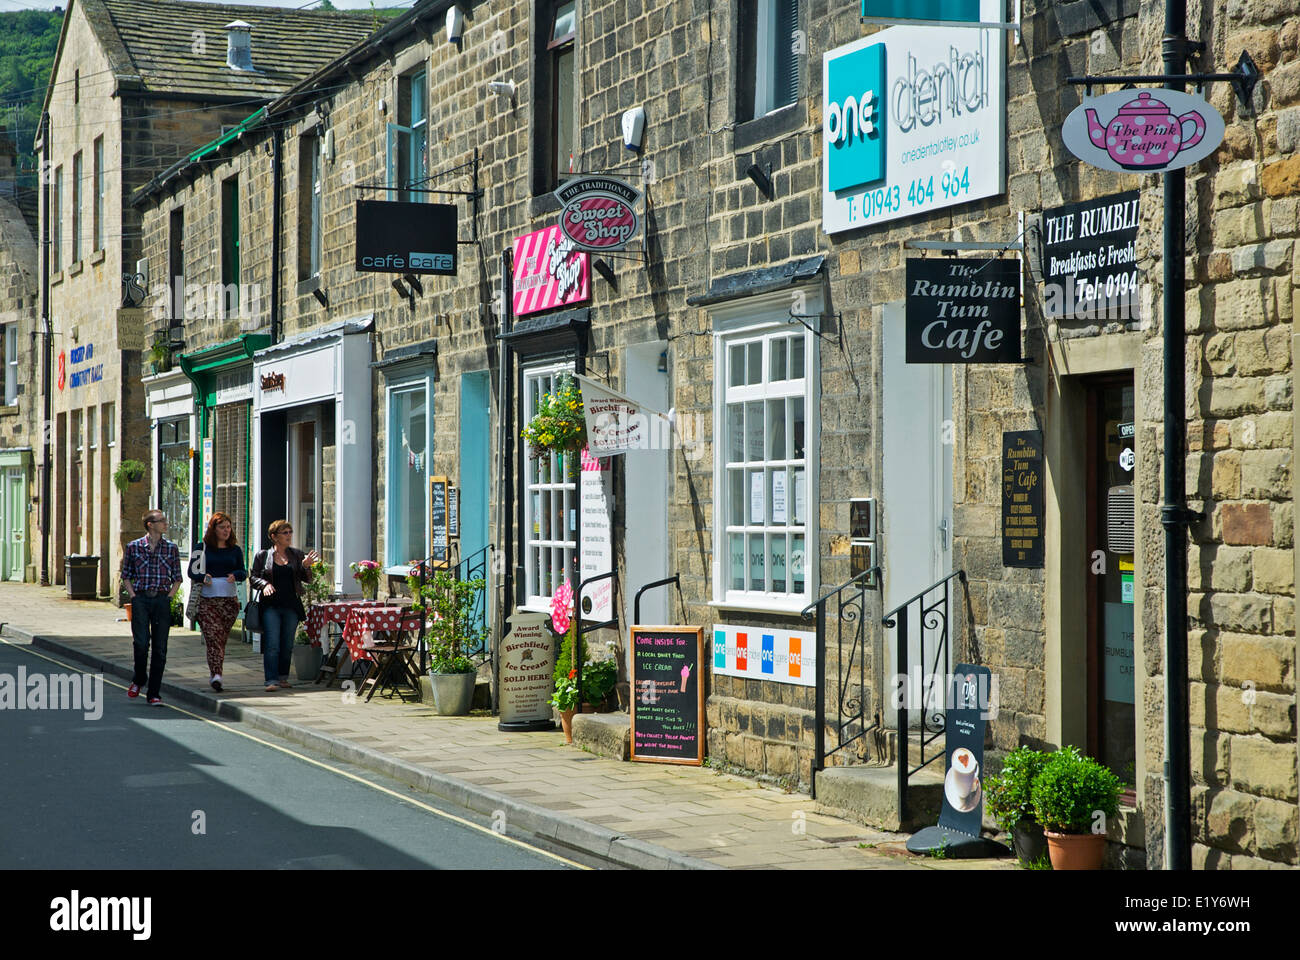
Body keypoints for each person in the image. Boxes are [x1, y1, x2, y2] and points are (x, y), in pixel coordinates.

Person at [121, 508, 185, 705]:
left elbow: (177, 578)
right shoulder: (134, 547)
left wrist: (169, 598)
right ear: (150, 524)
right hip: (141, 599)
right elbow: (126, 575)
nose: (166, 523)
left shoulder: (171, 548)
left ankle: (154, 693)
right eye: (161, 520)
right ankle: (139, 678)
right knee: (141, 644)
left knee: (160, 648)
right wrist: (133, 596)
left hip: (161, 600)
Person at [250, 520, 319, 692]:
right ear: (274, 537)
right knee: (272, 643)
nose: (289, 535)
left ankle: (283, 677)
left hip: (291, 605)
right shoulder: (263, 556)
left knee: (287, 643)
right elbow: (253, 577)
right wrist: (264, 585)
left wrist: (305, 566)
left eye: (290, 532)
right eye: (285, 532)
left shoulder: (296, 554)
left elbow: (307, 579)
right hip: (271, 606)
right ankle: (271, 680)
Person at [188, 512, 246, 692]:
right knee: (213, 638)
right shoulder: (202, 547)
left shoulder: (235, 550)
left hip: (229, 602)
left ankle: (215, 672)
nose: (226, 531)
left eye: (228, 527)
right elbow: (191, 572)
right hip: (207, 601)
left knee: (221, 640)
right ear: (213, 529)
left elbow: (243, 572)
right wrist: (203, 576)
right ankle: (217, 675)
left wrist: (235, 575)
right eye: (222, 527)